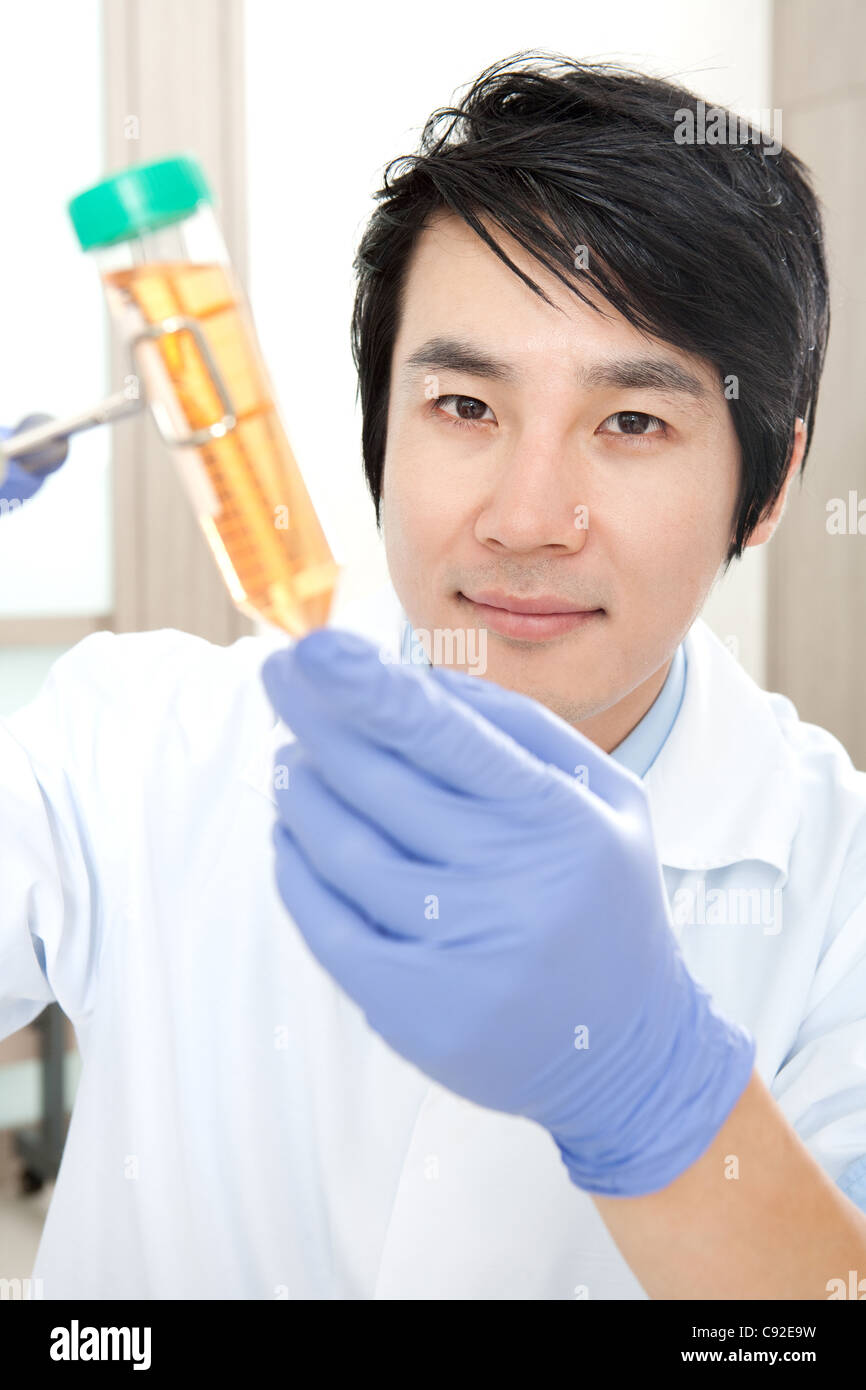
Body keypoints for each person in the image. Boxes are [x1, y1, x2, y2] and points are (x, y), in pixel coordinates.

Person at [2, 51, 865, 1301]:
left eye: (630, 422)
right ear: (378, 426)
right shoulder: (137, 745)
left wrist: (656, 1091)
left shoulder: (839, 889)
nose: (525, 517)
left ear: (771, 482)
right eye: (464, 404)